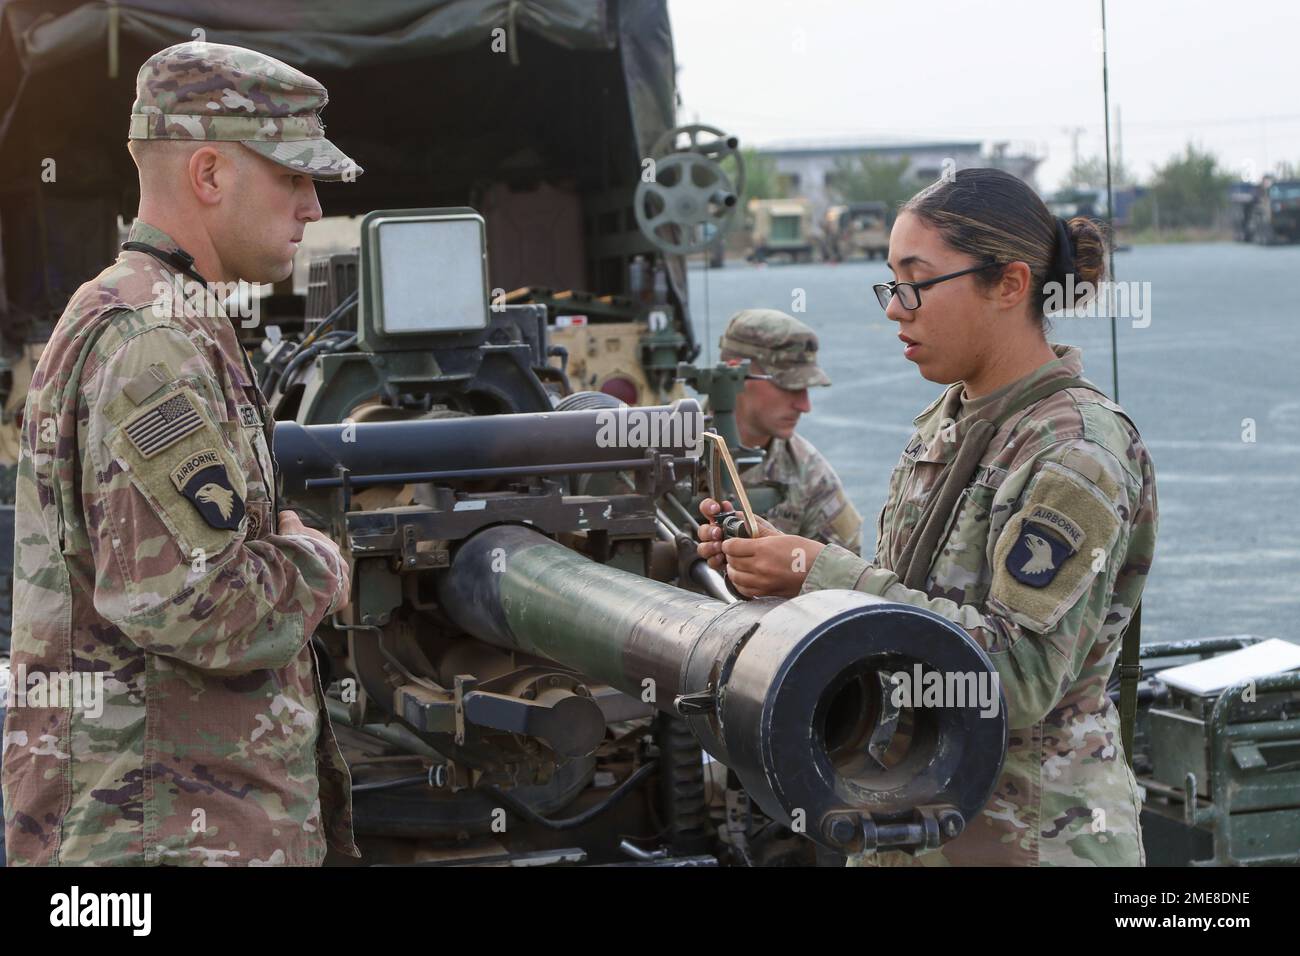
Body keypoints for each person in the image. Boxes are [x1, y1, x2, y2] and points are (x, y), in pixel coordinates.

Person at [698, 168, 1158, 866]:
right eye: (891, 281)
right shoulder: (951, 422)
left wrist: (816, 570)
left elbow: (1016, 676)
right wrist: (776, 575)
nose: (896, 308)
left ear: (1009, 285)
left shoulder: (1074, 451)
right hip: (910, 822)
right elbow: (905, 604)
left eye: (917, 281)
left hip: (1028, 838)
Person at [2, 41, 363, 866]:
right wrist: (317, 563)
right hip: (154, 833)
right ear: (209, 174)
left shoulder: (166, 317)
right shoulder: (151, 342)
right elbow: (197, 606)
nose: (311, 208)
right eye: (292, 177)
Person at [719, 309, 862, 554]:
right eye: (789, 387)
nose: (804, 406)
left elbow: (843, 578)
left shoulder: (810, 476)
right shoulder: (663, 448)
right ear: (735, 373)